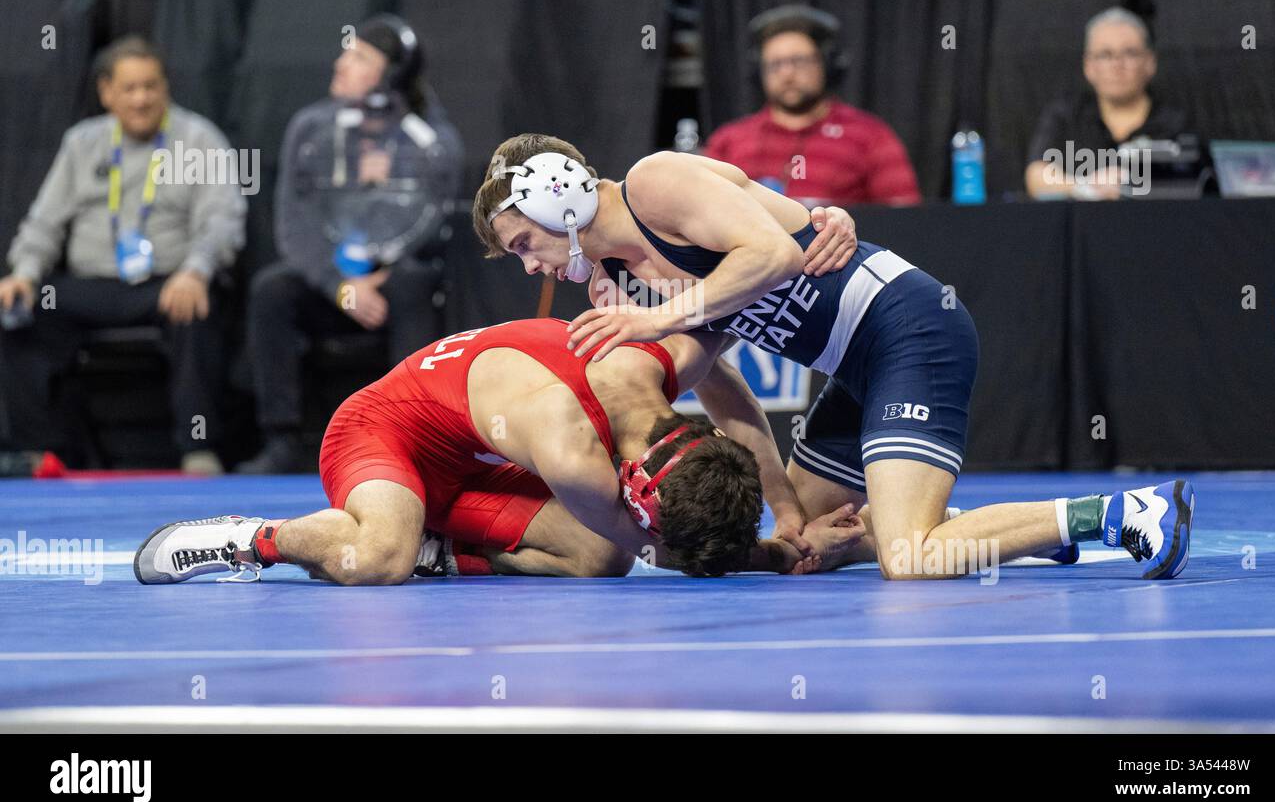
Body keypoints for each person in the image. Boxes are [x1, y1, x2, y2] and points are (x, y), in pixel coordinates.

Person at [472, 135, 1195, 580]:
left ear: (555, 197)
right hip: (853, 370)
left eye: (522, 244)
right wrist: (782, 506)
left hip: (906, 330)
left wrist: (659, 316)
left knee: (910, 559)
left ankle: (1121, 511)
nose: (531, 266)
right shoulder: (623, 282)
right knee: (811, 547)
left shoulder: (657, 184)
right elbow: (724, 391)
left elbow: (775, 251)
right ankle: (1014, 535)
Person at [134, 318, 864, 584]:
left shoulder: (653, 363)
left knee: (596, 559)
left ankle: (439, 548)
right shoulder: (574, 453)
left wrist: (785, 507)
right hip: (384, 432)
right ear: (640, 486)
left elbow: (728, 379)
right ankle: (249, 540)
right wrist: (782, 554)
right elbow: (669, 552)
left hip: (475, 456)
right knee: (379, 559)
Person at [0, 36, 245, 474]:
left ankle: (197, 448)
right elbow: (45, 221)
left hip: (166, 283)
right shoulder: (82, 142)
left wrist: (196, 270)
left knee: (196, 308)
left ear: (165, 88)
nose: (141, 98)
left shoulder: (199, 138)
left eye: (151, 86)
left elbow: (223, 221)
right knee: (23, 308)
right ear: (106, 93)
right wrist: (23, 273)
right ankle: (43, 453)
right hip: (93, 285)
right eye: (129, 88)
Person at [239, 14, 465, 473]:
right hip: (335, 284)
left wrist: (385, 264)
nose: (342, 63)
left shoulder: (430, 138)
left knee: (415, 282)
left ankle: (413, 438)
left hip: (394, 281)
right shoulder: (310, 128)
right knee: (272, 289)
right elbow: (294, 228)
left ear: (391, 76)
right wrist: (340, 284)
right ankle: (282, 439)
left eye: (360, 57)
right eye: (347, 52)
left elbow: (431, 220)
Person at [703, 4, 920, 207]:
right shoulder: (729, 141)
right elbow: (702, 213)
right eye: (775, 64)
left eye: (799, 61)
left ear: (827, 65)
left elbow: (902, 217)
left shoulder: (870, 136)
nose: (787, 73)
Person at [1025, 7, 1197, 199]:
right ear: (1088, 66)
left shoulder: (1175, 123)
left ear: (1150, 62)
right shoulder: (1067, 116)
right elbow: (1037, 177)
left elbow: (1196, 185)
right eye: (1105, 55)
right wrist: (1086, 187)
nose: (1117, 65)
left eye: (1130, 53)